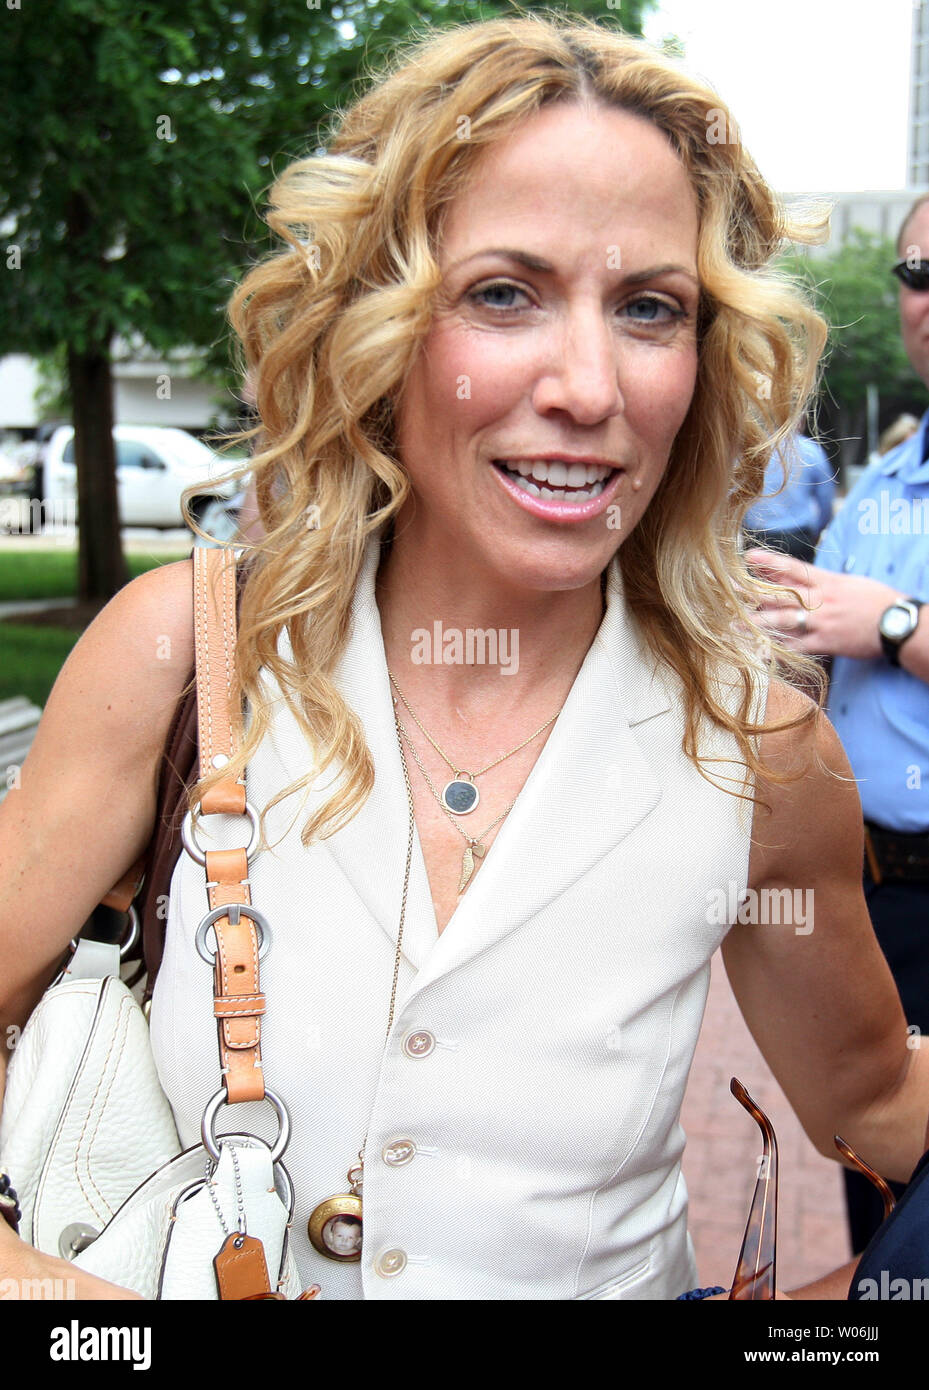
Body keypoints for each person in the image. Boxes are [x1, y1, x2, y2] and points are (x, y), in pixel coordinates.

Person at [2, 13, 928, 1302]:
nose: (588, 385)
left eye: (649, 308)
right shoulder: (189, 651)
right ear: (377, 327)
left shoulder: (757, 747)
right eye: (505, 293)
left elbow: (874, 1098)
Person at [746, 189, 929, 1259]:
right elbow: (837, 652)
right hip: (873, 899)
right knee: (884, 1188)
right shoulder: (886, 479)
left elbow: (879, 630)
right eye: (915, 274)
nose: (927, 298)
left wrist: (892, 621)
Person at [742, 428, 836, 562]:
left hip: (758, 539)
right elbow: (825, 497)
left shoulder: (751, 450)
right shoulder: (809, 450)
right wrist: (818, 531)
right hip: (798, 538)